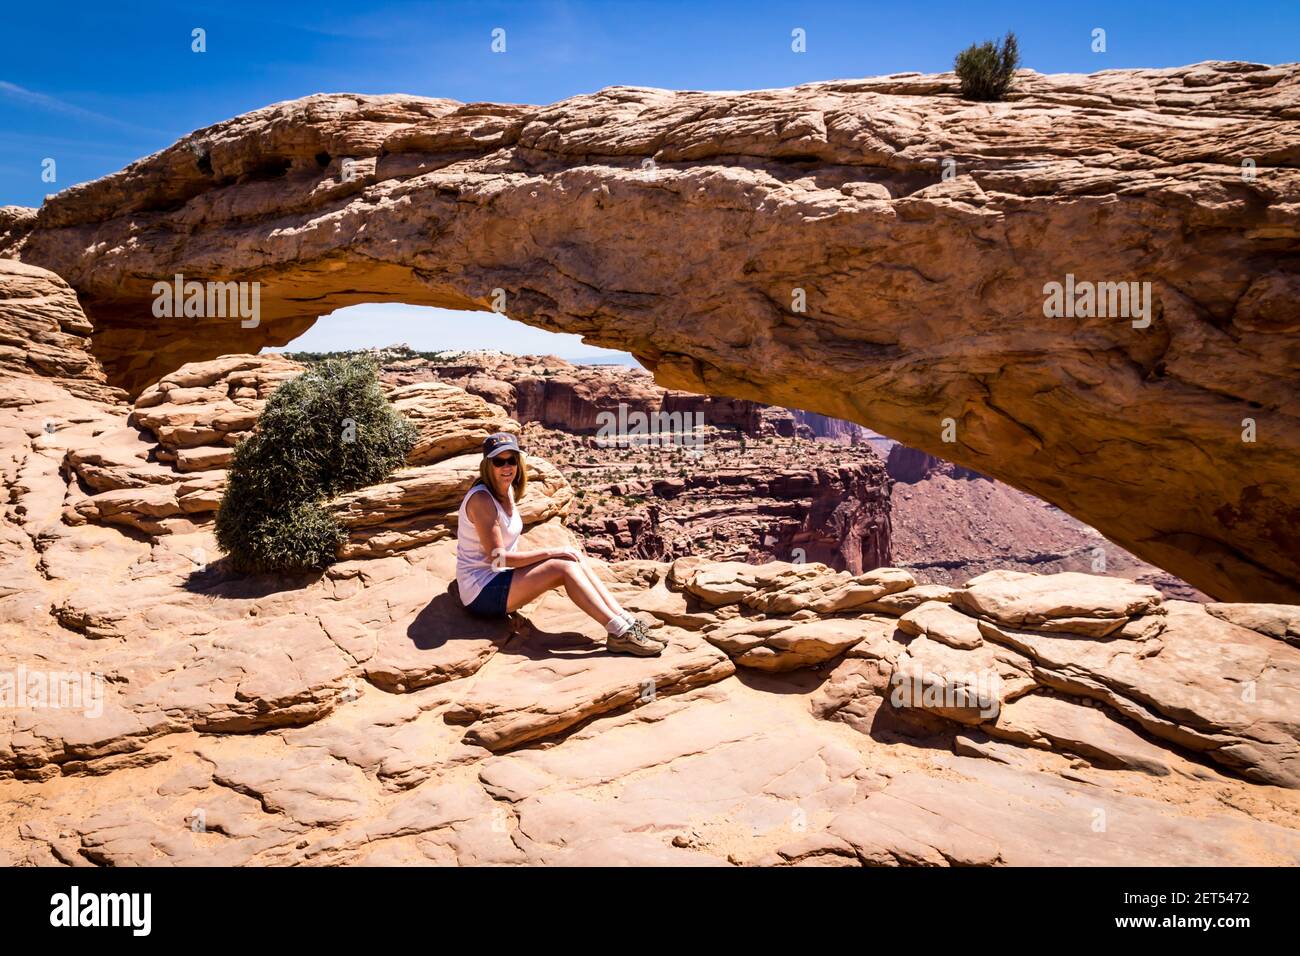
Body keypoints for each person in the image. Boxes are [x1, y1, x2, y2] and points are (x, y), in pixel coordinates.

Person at [455, 432, 666, 656]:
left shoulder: (505, 489)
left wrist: (559, 553)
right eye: (499, 461)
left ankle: (627, 623)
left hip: (501, 578)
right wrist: (551, 552)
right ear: (488, 465)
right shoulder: (483, 500)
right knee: (562, 566)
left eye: (512, 460)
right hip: (481, 592)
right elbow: (498, 558)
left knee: (572, 556)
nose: (507, 467)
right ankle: (619, 633)